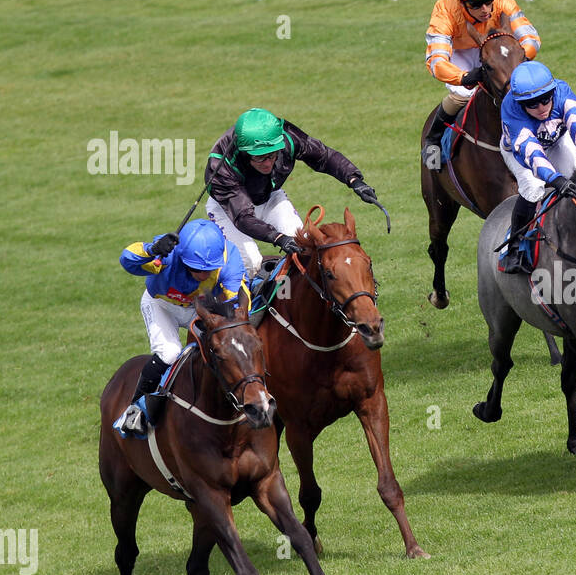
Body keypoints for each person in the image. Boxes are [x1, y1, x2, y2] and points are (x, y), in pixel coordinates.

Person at [204, 107, 379, 278]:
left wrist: (354, 180)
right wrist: (278, 237)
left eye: (272, 155)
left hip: (269, 197)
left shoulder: (288, 137)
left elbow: (324, 156)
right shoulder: (220, 166)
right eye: (259, 157)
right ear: (244, 152)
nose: (268, 163)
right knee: (250, 263)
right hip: (229, 211)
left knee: (304, 250)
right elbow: (243, 217)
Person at [114, 219, 249, 435]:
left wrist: (220, 310)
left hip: (201, 308)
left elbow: (239, 303)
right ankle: (134, 410)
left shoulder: (229, 260)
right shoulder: (168, 253)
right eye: (196, 269)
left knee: (226, 348)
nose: (203, 275)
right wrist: (152, 250)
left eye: (209, 269)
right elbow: (127, 260)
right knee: (169, 353)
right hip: (161, 304)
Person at [422, 0, 541, 170]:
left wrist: (518, 57)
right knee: (463, 95)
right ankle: (433, 140)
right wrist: (464, 77)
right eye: (476, 5)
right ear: (461, 3)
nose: (485, 9)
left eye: (488, 1)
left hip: (497, 49)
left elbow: (530, 37)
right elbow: (436, 61)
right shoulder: (444, 10)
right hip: (460, 51)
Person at [498, 62, 576, 273]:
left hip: (556, 140)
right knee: (533, 188)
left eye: (545, 100)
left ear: (552, 92)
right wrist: (556, 180)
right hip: (520, 152)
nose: (541, 108)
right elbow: (532, 154)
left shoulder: (562, 91)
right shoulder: (511, 110)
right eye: (532, 105)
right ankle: (515, 245)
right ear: (521, 104)